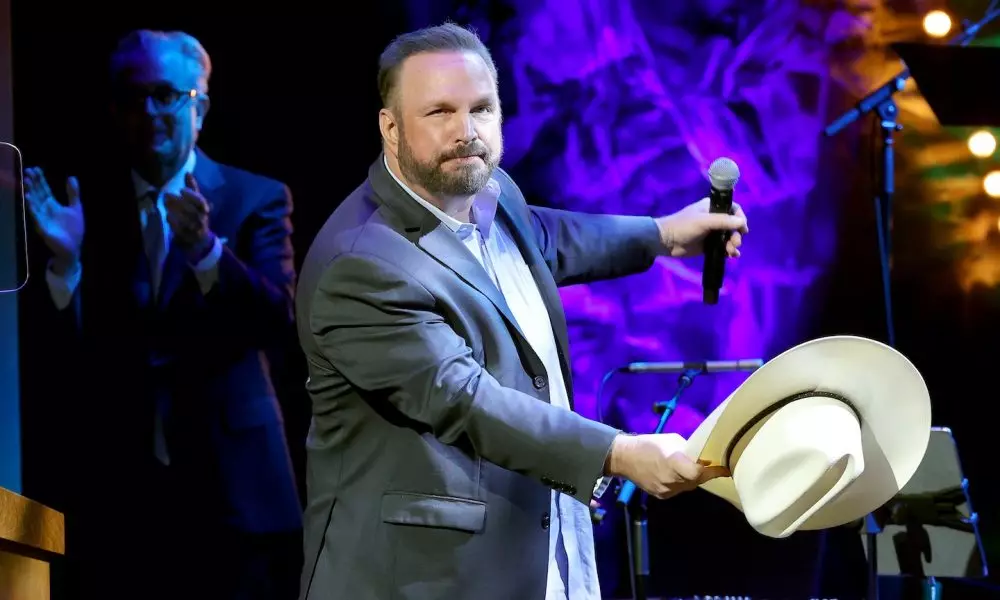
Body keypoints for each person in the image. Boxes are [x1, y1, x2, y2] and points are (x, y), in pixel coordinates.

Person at [295, 22, 747, 600]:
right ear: (390, 127)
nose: (467, 132)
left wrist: (662, 235)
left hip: (534, 555)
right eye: (440, 112)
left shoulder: (489, 192)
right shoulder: (361, 266)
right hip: (423, 579)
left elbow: (546, 237)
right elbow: (464, 399)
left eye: (482, 109)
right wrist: (618, 453)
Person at [23, 30, 302, 600]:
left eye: (164, 94)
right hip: (124, 496)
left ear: (198, 105)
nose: (147, 111)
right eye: (132, 97)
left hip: (236, 493)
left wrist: (207, 253)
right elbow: (59, 360)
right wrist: (65, 268)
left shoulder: (255, 197)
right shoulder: (83, 208)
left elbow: (280, 321)